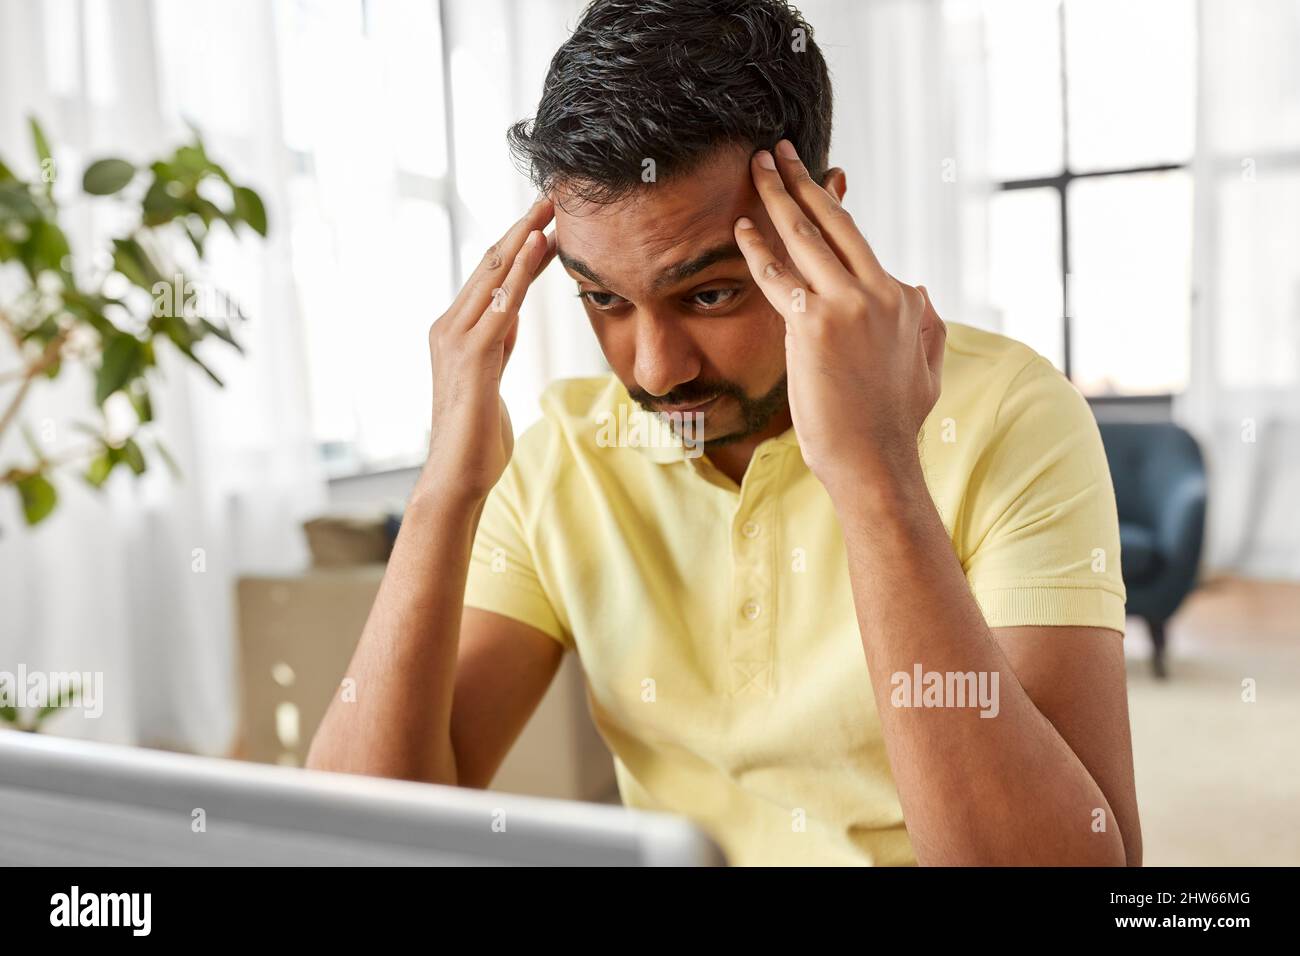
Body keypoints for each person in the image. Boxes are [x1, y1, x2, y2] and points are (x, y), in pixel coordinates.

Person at [308, 0, 1141, 867]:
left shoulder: (1009, 412)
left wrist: (877, 475)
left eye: (708, 294)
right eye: (604, 299)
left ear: (824, 223)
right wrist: (446, 488)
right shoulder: (566, 452)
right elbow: (354, 844)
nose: (656, 368)